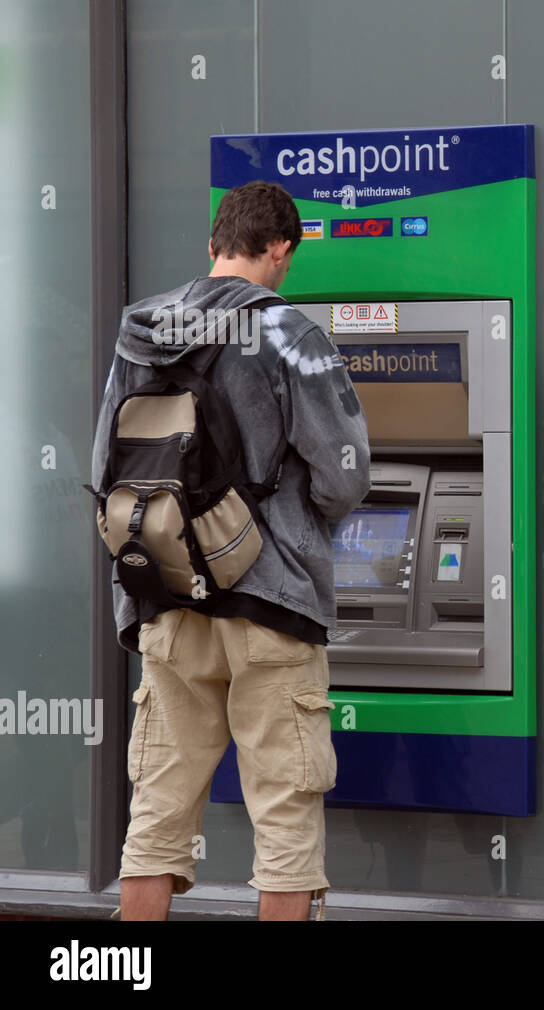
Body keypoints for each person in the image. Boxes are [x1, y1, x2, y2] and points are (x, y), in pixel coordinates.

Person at [90, 180, 371, 920]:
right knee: (284, 817)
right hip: (270, 607)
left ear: (214, 245)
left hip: (168, 599)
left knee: (155, 817)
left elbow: (101, 471)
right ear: (279, 248)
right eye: (287, 257)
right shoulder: (290, 335)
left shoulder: (139, 330)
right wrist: (295, 531)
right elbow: (346, 471)